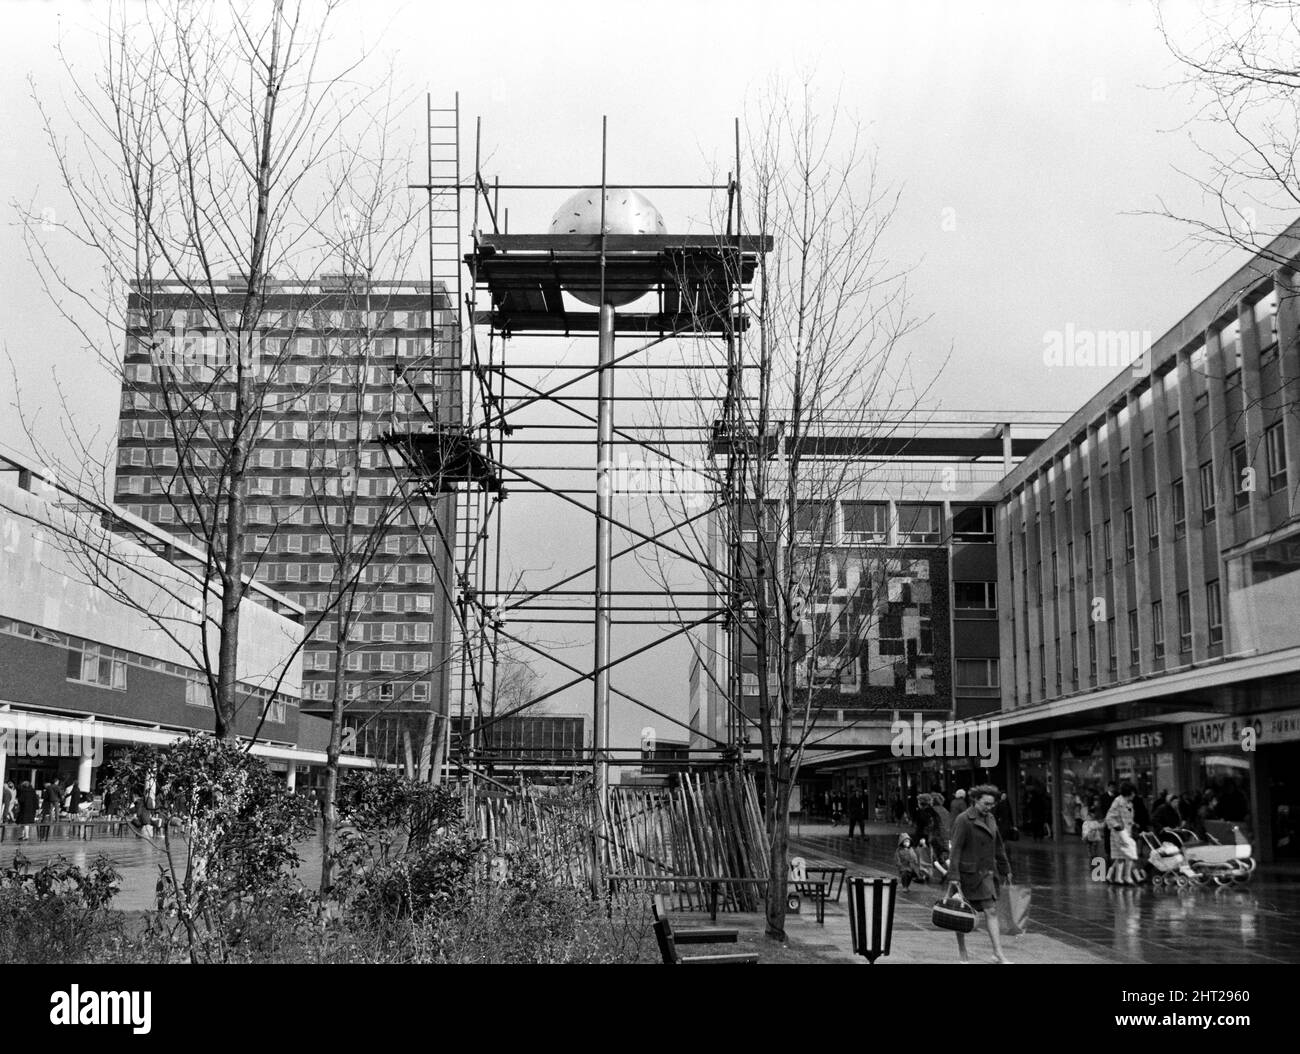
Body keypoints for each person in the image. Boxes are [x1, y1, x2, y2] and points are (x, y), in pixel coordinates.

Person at [947, 784, 1013, 964]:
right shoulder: (963, 819)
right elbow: (956, 849)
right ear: (975, 800)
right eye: (986, 803)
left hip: (987, 874)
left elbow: (998, 844)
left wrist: (1005, 868)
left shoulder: (991, 818)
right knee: (961, 914)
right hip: (967, 875)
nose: (989, 807)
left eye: (992, 804)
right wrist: (954, 876)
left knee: (991, 910)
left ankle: (998, 953)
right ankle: (962, 951)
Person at [1105, 783, 1140, 884]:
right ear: (1129, 793)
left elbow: (1128, 818)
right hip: (1119, 833)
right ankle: (1126, 877)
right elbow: (1109, 817)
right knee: (1128, 855)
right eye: (1133, 793)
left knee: (1121, 856)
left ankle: (1114, 876)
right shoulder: (1118, 802)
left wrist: (1134, 824)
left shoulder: (1129, 803)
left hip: (1126, 833)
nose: (1134, 795)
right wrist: (1117, 826)